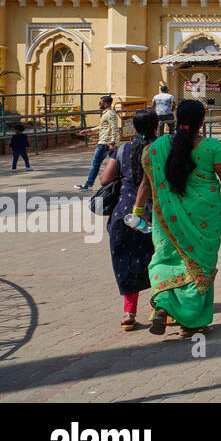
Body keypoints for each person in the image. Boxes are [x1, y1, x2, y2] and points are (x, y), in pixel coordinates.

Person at [139, 98, 221, 337]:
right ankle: (190, 323)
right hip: (204, 217)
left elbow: (146, 184)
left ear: (177, 119)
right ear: (202, 120)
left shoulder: (156, 148)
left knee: (167, 261)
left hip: (166, 218)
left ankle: (162, 308)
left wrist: (137, 213)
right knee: (199, 266)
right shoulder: (212, 147)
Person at [97, 109, 158, 329]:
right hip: (154, 213)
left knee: (126, 260)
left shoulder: (122, 149)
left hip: (124, 214)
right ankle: (158, 307)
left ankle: (129, 313)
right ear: (156, 126)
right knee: (156, 259)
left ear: (134, 127)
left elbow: (104, 180)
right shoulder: (162, 148)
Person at [76, 95, 120, 190]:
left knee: (96, 164)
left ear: (106, 104)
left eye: (101, 102)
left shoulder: (110, 114)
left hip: (105, 143)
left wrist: (112, 143)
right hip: (106, 142)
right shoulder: (107, 114)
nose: (99, 104)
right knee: (113, 165)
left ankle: (88, 185)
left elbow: (114, 128)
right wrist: (89, 131)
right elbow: (102, 127)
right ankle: (114, 184)